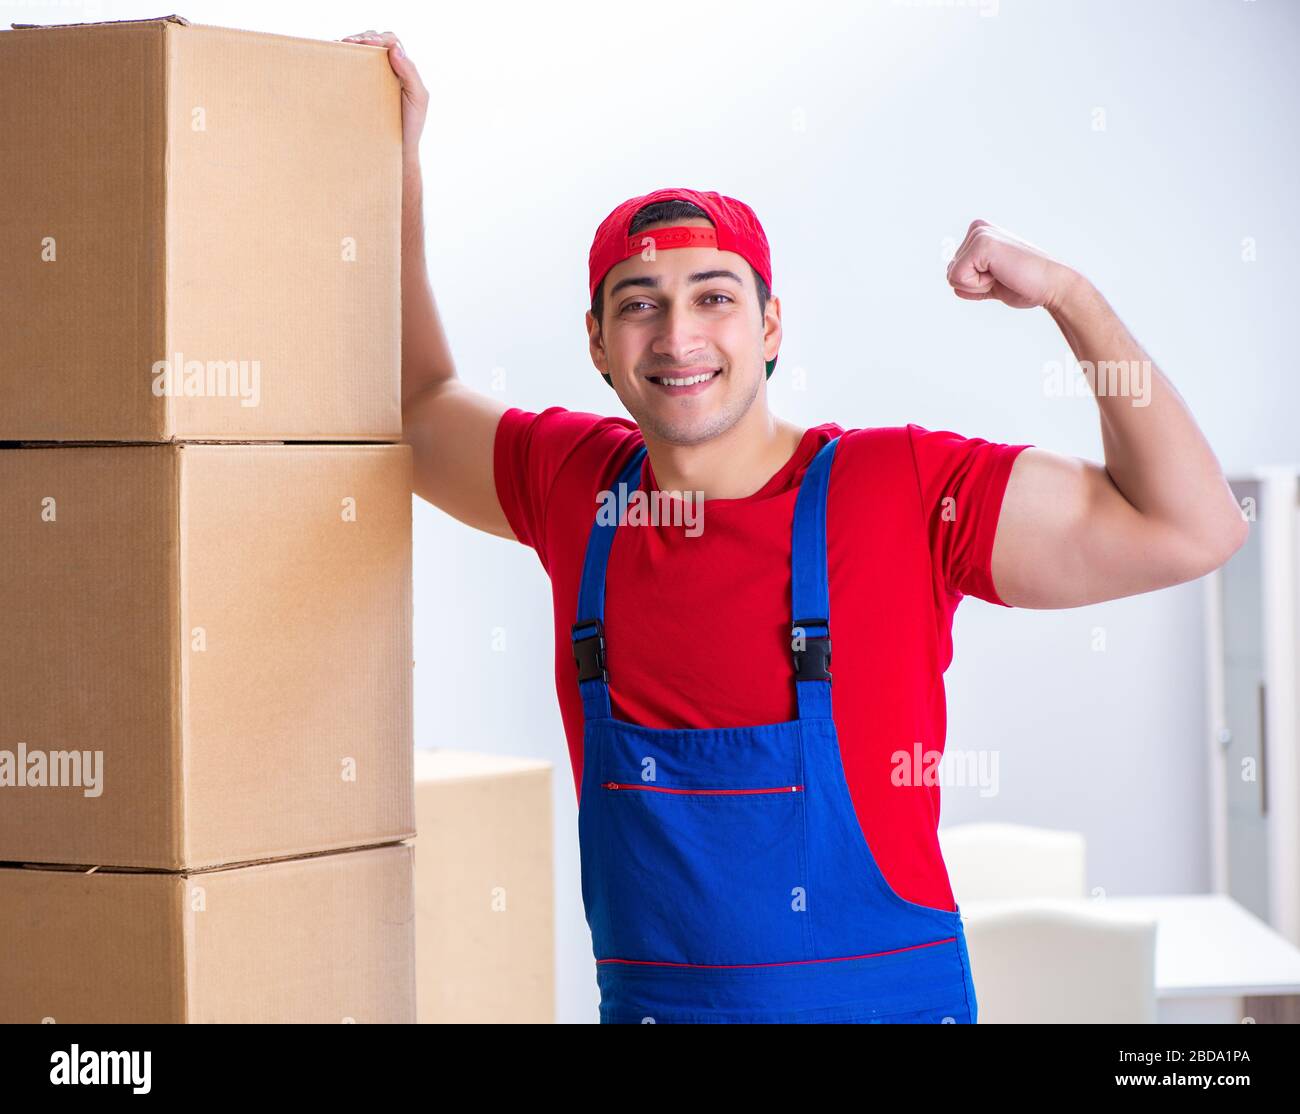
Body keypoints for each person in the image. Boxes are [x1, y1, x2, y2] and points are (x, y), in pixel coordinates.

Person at [342, 30, 1248, 1024]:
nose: (678, 336)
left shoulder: (896, 487)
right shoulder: (574, 484)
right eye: (639, 305)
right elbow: (419, 401)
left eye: (713, 298)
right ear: (597, 342)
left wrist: (1068, 298)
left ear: (769, 326)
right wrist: (391, 163)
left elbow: (1189, 526)